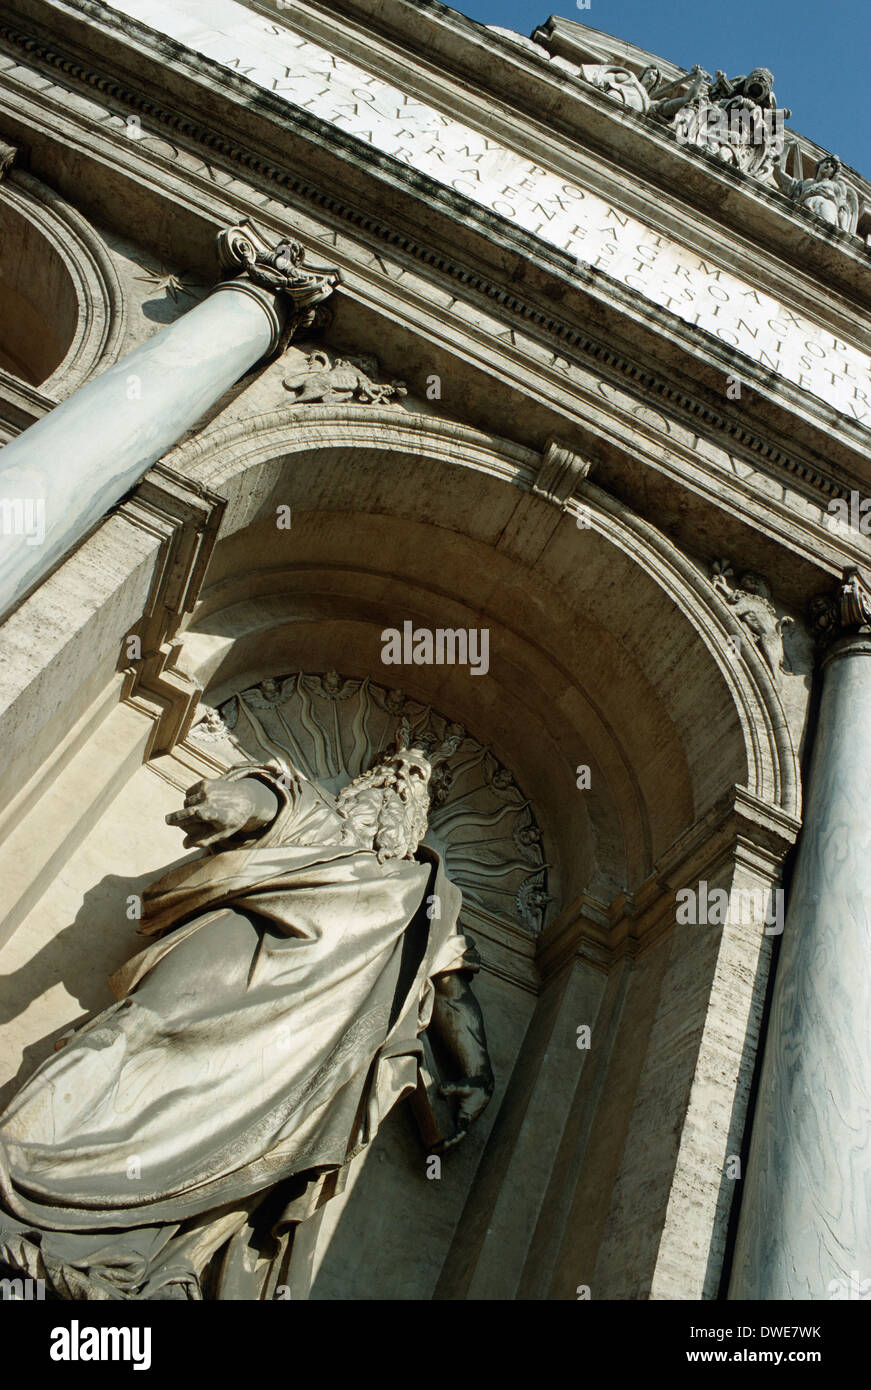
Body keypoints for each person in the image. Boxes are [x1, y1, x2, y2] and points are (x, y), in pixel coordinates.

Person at [0, 734, 493, 1299]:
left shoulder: (429, 896)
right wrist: (229, 800)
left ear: (423, 812)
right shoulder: (315, 814)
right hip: (233, 956)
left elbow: (451, 990)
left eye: (415, 781)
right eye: (392, 770)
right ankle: (20, 1169)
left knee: (256, 1139)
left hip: (310, 1039)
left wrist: (474, 1076)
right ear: (362, 780)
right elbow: (267, 797)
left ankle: (139, 1251)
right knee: (128, 1032)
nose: (398, 783)